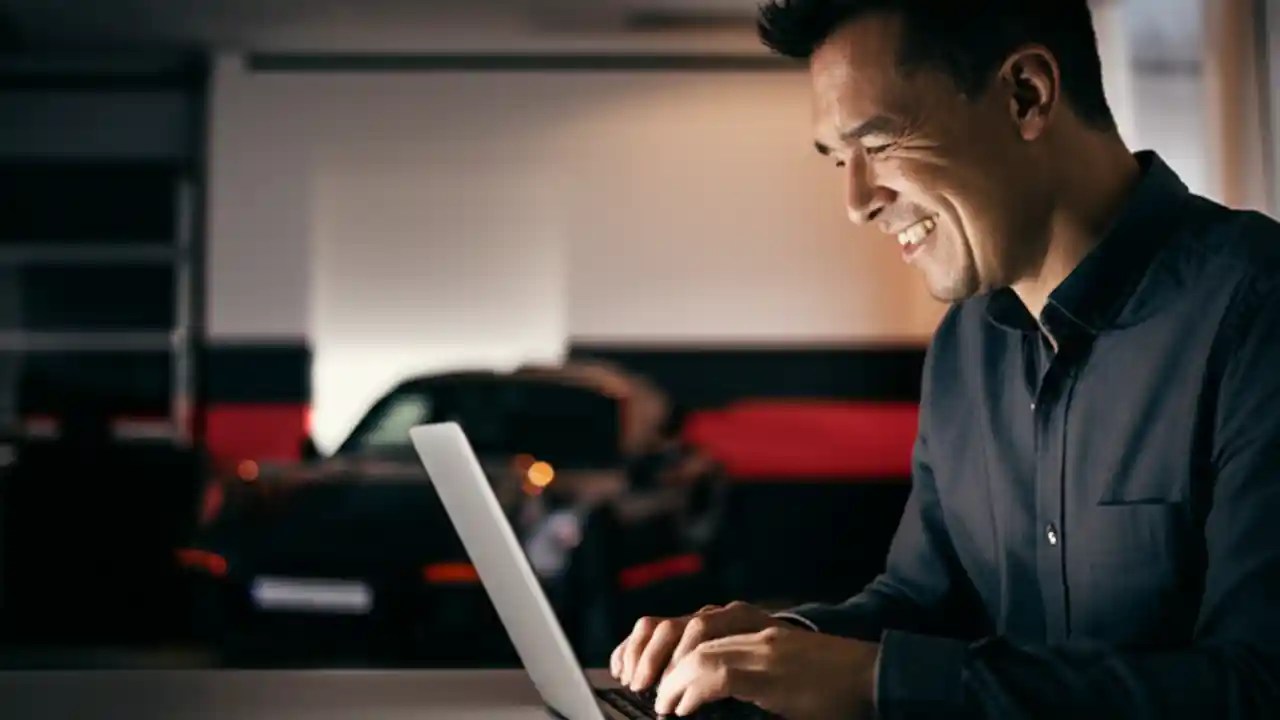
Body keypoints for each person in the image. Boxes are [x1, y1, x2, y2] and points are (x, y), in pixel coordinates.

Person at [609, 1, 1280, 718]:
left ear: (1026, 94)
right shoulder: (966, 346)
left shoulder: (1257, 310)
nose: (857, 201)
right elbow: (927, 603)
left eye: (879, 142)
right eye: (839, 160)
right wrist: (779, 644)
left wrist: (873, 681)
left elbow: (1257, 687)